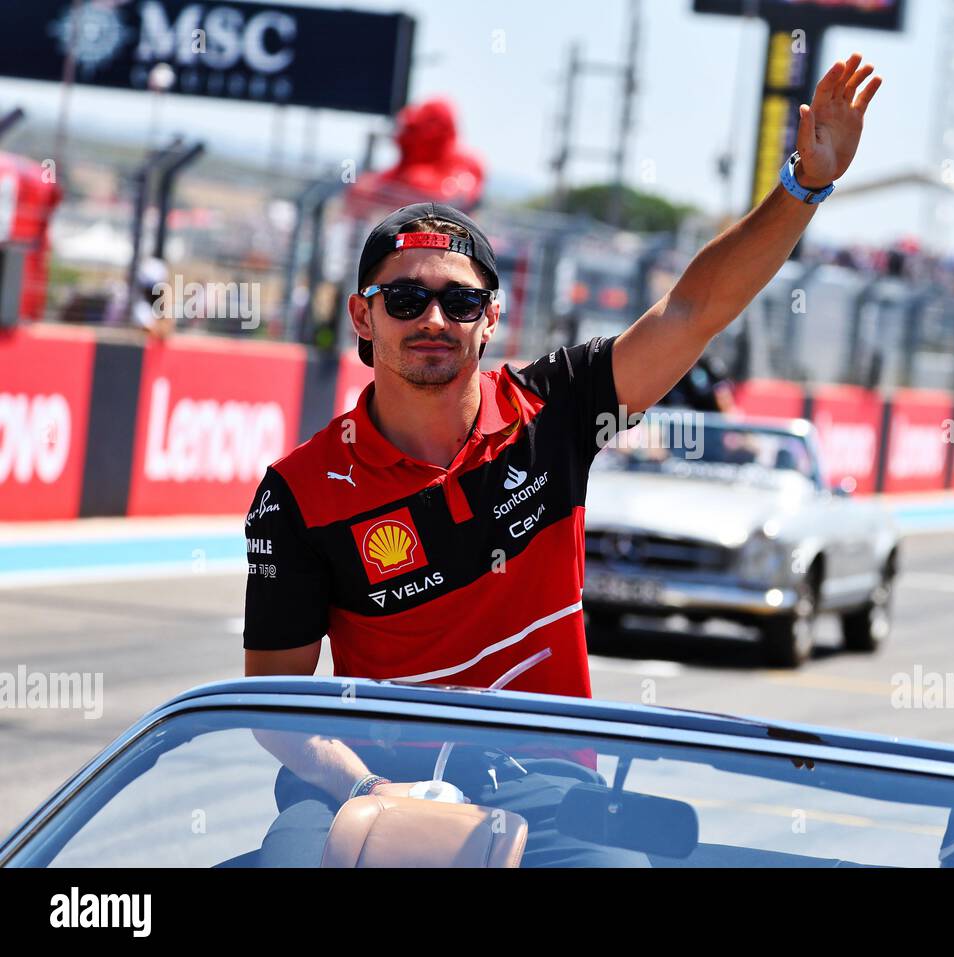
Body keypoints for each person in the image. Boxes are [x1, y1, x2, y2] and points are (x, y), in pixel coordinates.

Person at [241, 54, 885, 867]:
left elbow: (692, 310)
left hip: (541, 781)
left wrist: (803, 187)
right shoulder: (297, 493)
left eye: (459, 299)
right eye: (405, 299)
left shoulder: (560, 408)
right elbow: (278, 702)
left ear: (491, 318)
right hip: (361, 787)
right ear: (363, 318)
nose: (432, 317)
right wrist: (367, 788)